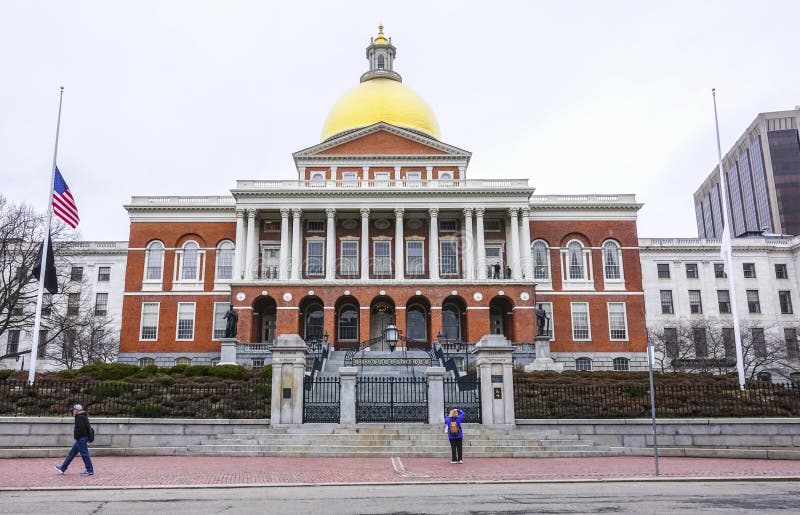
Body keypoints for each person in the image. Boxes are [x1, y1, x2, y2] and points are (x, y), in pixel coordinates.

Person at [54, 404, 94, 476]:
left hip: (81, 438)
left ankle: (90, 470)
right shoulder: (81, 416)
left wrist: (77, 436)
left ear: (77, 410)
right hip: (81, 438)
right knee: (71, 454)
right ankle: (63, 468)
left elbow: (81, 429)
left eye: (74, 409)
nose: (73, 411)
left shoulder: (80, 417)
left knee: (84, 454)